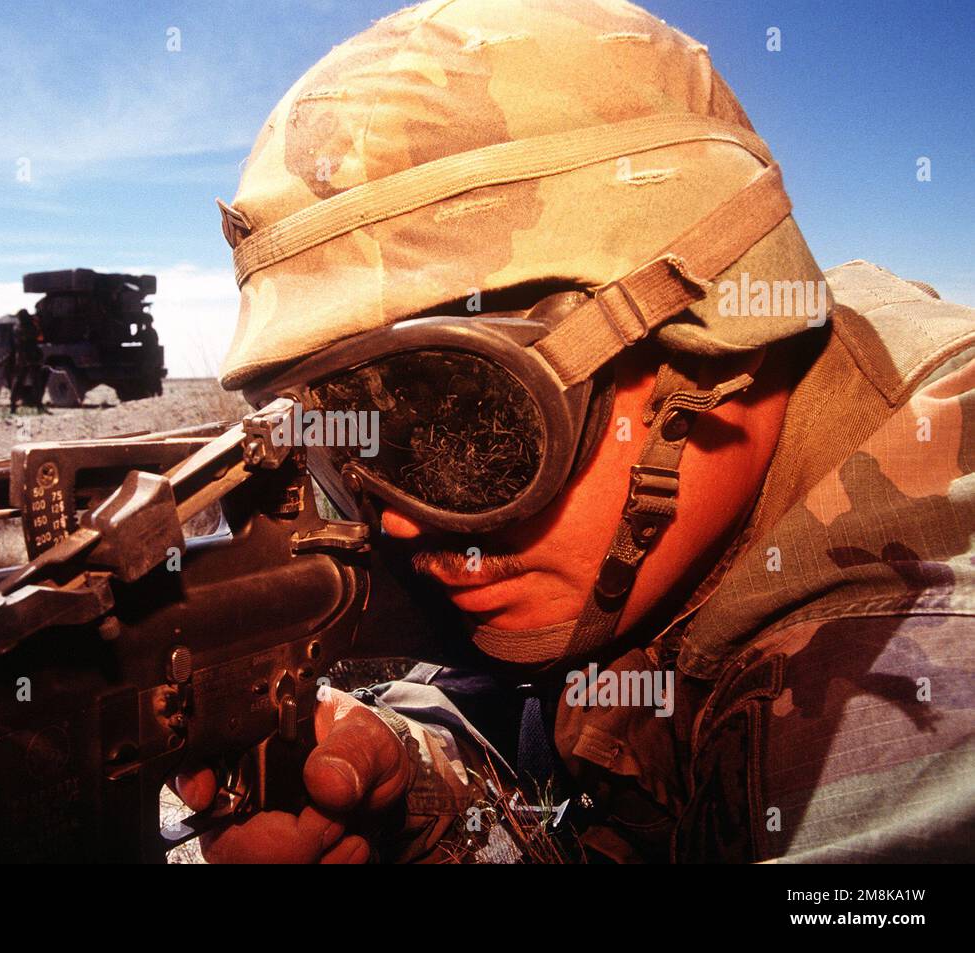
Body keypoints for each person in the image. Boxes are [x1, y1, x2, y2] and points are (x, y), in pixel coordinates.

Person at [177, 0, 975, 863]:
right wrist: (424, 805)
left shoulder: (917, 654)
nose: (402, 519)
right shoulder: (632, 541)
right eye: (351, 442)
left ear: (709, 347)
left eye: (473, 425)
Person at [9, 309, 49, 414]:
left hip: (25, 357)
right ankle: (37, 405)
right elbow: (39, 337)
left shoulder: (18, 327)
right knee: (33, 381)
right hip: (29, 357)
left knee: (21, 381)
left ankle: (14, 406)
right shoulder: (27, 327)